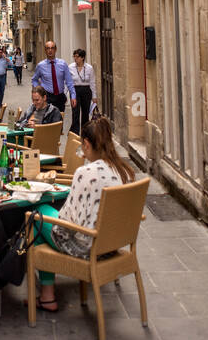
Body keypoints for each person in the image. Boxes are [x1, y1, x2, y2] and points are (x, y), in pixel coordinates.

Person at [28, 117, 134, 311]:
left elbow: (66, 221)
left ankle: (47, 294)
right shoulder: (122, 171)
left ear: (86, 144)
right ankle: (46, 293)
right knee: (42, 216)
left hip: (86, 247)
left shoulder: (85, 173)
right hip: (111, 245)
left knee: (36, 215)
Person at [31, 40, 75, 116]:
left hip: (60, 97)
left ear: (55, 49)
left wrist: (73, 96)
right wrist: (38, 91)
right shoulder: (40, 66)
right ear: (45, 50)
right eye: (48, 48)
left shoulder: (63, 64)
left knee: (59, 122)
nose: (50, 50)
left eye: (52, 48)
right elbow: (34, 80)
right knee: (47, 120)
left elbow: (69, 82)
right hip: (47, 97)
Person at [69, 48, 96, 137]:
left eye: (77, 57)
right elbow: (68, 82)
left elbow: (92, 82)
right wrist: (66, 93)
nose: (75, 59)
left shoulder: (89, 68)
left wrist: (94, 96)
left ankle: (85, 133)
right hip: (75, 90)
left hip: (86, 90)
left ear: (83, 58)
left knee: (85, 112)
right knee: (75, 112)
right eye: (74, 56)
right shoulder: (71, 67)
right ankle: (75, 133)